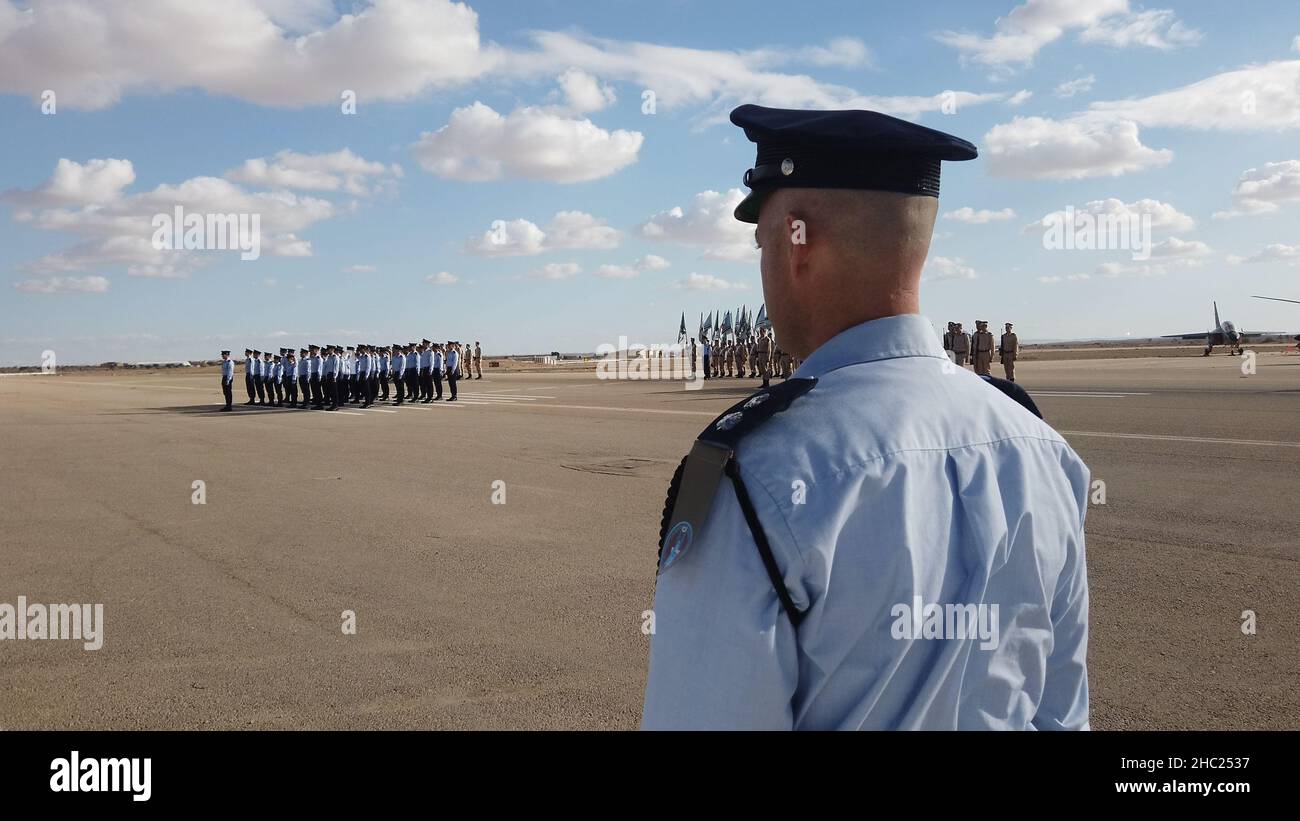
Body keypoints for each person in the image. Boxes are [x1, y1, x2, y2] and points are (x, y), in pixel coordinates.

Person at [644, 104, 1091, 731]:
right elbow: (1061, 713)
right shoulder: (1042, 449)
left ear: (798, 242)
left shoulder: (756, 476)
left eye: (764, 244)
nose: (765, 270)